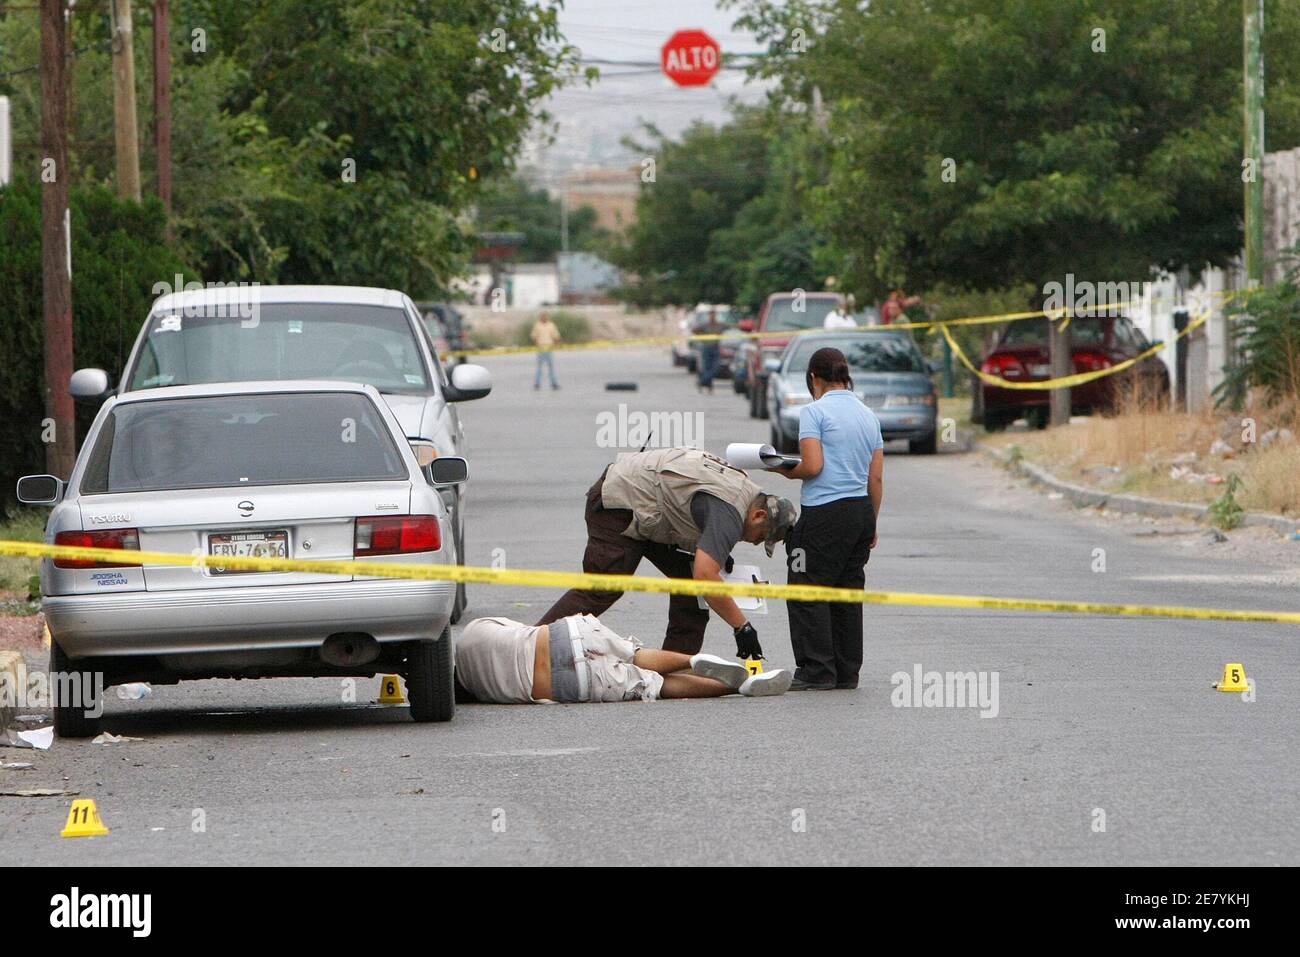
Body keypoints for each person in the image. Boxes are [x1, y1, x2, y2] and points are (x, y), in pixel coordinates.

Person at [537, 447, 798, 657]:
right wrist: (742, 627)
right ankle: (530, 645)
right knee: (603, 589)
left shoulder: (747, 493)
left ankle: (672, 668)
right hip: (619, 502)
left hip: (652, 508)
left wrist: (712, 546)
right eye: (761, 537)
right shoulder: (730, 512)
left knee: (690, 590)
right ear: (759, 515)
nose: (755, 543)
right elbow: (706, 576)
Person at [776, 347, 884, 690]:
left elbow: (812, 466)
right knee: (847, 591)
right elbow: (875, 478)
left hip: (823, 513)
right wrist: (872, 522)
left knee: (804, 583)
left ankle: (817, 670)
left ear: (814, 378)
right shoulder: (868, 415)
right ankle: (846, 671)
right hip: (860, 511)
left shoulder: (814, 412)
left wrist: (782, 469)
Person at [455, 614, 793, 704]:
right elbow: (524, 629)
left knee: (654, 687)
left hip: (569, 684)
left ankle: (738, 687)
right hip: (565, 635)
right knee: (636, 654)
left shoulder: (485, 693)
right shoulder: (473, 631)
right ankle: (691, 659)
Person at [531, 312, 561, 390]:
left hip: (549, 348)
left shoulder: (551, 325)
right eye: (542, 316)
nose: (544, 318)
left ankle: (554, 383)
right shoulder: (537, 325)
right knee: (539, 368)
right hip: (540, 349)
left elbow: (556, 336)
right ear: (540, 317)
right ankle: (537, 383)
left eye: (545, 316)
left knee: (551, 368)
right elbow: (534, 336)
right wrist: (536, 344)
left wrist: (556, 344)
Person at [696, 309, 724, 393]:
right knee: (707, 367)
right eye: (711, 315)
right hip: (706, 348)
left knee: (715, 368)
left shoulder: (719, 325)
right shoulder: (705, 325)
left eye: (714, 315)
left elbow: (730, 327)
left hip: (716, 348)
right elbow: (695, 330)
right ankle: (709, 385)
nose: (712, 317)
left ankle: (702, 381)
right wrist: (701, 338)